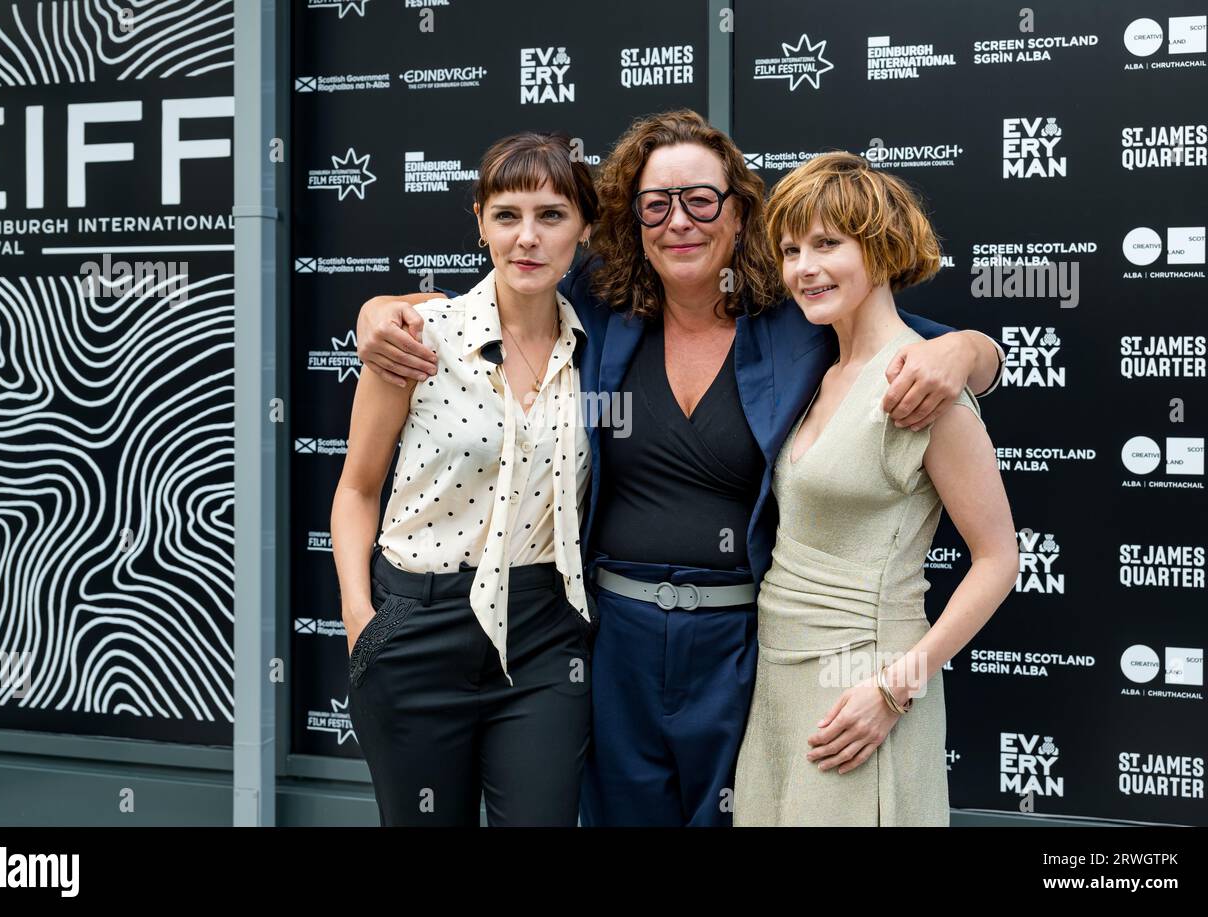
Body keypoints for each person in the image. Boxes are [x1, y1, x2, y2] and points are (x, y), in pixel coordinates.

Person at [354, 110, 1005, 827]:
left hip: (737, 649)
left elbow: (919, 345)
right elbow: (502, 291)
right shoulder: (602, 313)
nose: (679, 221)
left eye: (701, 200)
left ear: (738, 213)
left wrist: (970, 351)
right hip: (612, 644)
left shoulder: (791, 321)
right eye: (656, 204)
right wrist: (380, 308)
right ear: (632, 220)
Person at [732, 152, 1018, 826]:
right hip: (779, 684)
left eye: (828, 244)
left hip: (865, 688)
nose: (805, 267)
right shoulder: (818, 373)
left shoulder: (927, 389)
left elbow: (998, 559)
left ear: (883, 250)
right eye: (791, 249)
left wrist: (895, 690)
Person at [330, 131, 599, 826]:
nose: (527, 237)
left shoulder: (600, 344)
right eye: (507, 215)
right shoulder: (419, 337)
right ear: (479, 221)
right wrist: (362, 621)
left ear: (585, 227)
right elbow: (358, 488)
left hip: (546, 636)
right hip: (417, 625)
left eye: (551, 215)